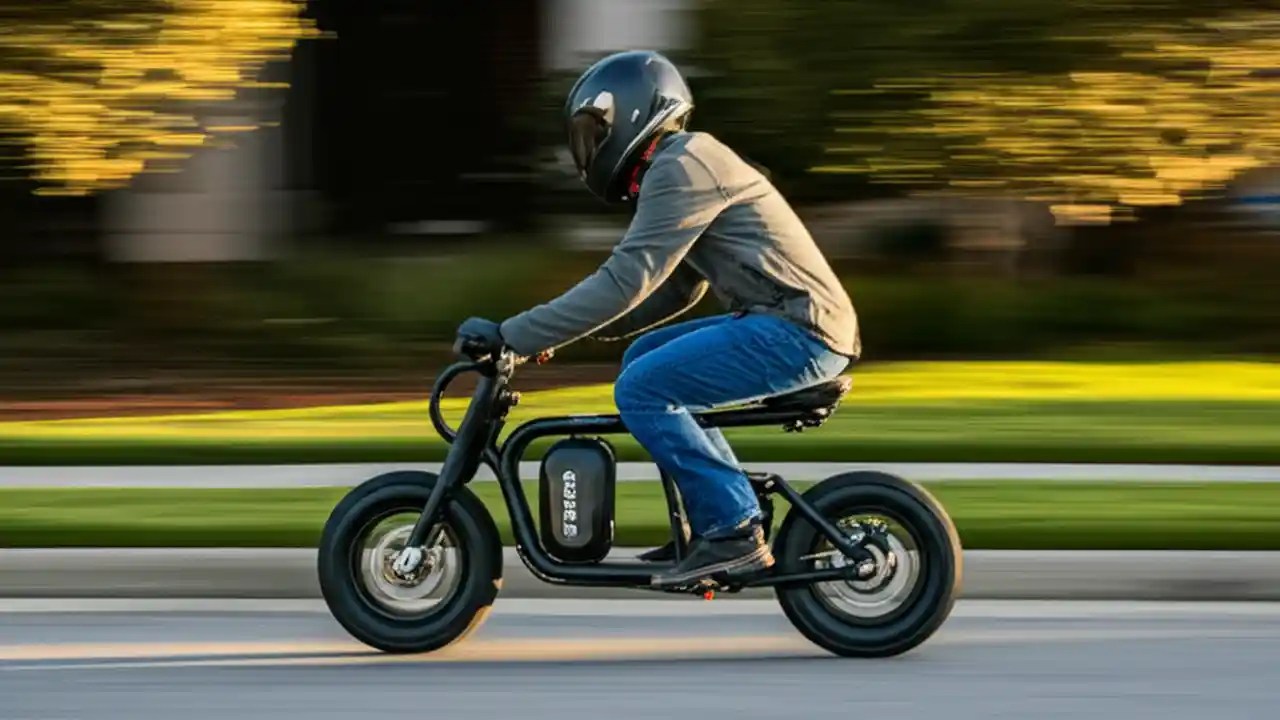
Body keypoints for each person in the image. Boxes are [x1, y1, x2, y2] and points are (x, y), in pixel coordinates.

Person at [455, 50, 860, 588]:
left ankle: (734, 531)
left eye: (593, 132)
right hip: (789, 323)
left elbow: (628, 278)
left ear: (631, 111)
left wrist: (515, 333)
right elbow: (674, 288)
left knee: (643, 389)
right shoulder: (685, 162)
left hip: (800, 331)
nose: (590, 148)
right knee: (643, 361)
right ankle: (711, 522)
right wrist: (560, 335)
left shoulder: (683, 164)